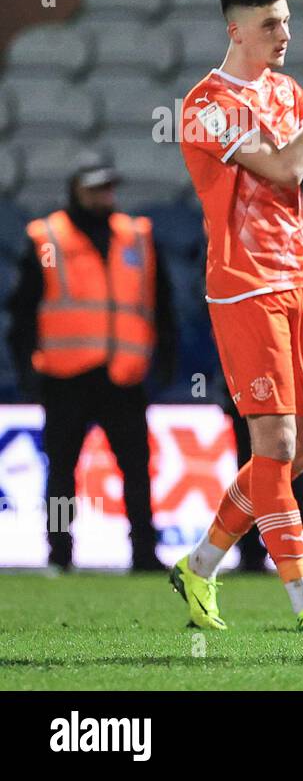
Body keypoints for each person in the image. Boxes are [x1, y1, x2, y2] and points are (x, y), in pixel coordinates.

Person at [169, 0, 303, 632]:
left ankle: (199, 566)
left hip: (296, 283)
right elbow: (286, 169)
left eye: (285, 21)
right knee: (277, 443)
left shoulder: (287, 92)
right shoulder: (205, 104)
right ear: (235, 30)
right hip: (243, 283)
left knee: (298, 451)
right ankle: (302, 596)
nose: (284, 34)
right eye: (269, 25)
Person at [6, 151, 177, 573]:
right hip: (66, 376)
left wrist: (165, 362)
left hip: (124, 375)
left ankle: (143, 552)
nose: (105, 195)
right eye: (96, 187)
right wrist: (27, 369)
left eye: (109, 187)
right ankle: (60, 553)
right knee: (63, 475)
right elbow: (23, 310)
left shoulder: (136, 235)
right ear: (76, 189)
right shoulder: (48, 237)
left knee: (137, 471)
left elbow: (162, 304)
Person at [221, 169, 303, 573]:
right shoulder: (242, 202)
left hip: (299, 342)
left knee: (298, 452)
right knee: (258, 450)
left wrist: (274, 289)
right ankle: (251, 552)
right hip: (250, 337)